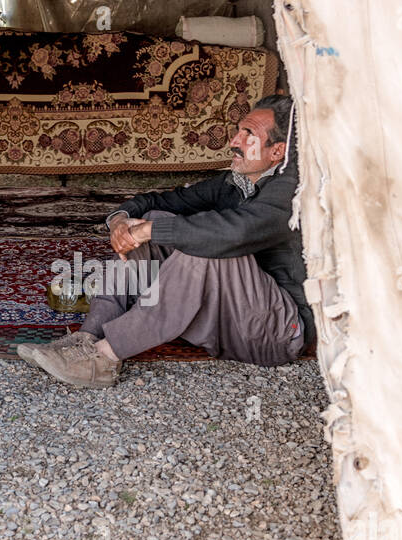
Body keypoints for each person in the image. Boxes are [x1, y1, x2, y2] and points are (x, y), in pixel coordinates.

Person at [18, 94, 314, 388]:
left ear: (277, 152)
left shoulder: (294, 189)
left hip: (277, 333)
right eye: (238, 130)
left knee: (203, 243)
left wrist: (148, 230)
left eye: (248, 135)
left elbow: (234, 233)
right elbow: (161, 201)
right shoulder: (235, 183)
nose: (234, 141)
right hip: (230, 327)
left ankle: (104, 358)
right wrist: (122, 222)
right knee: (158, 216)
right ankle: (86, 339)